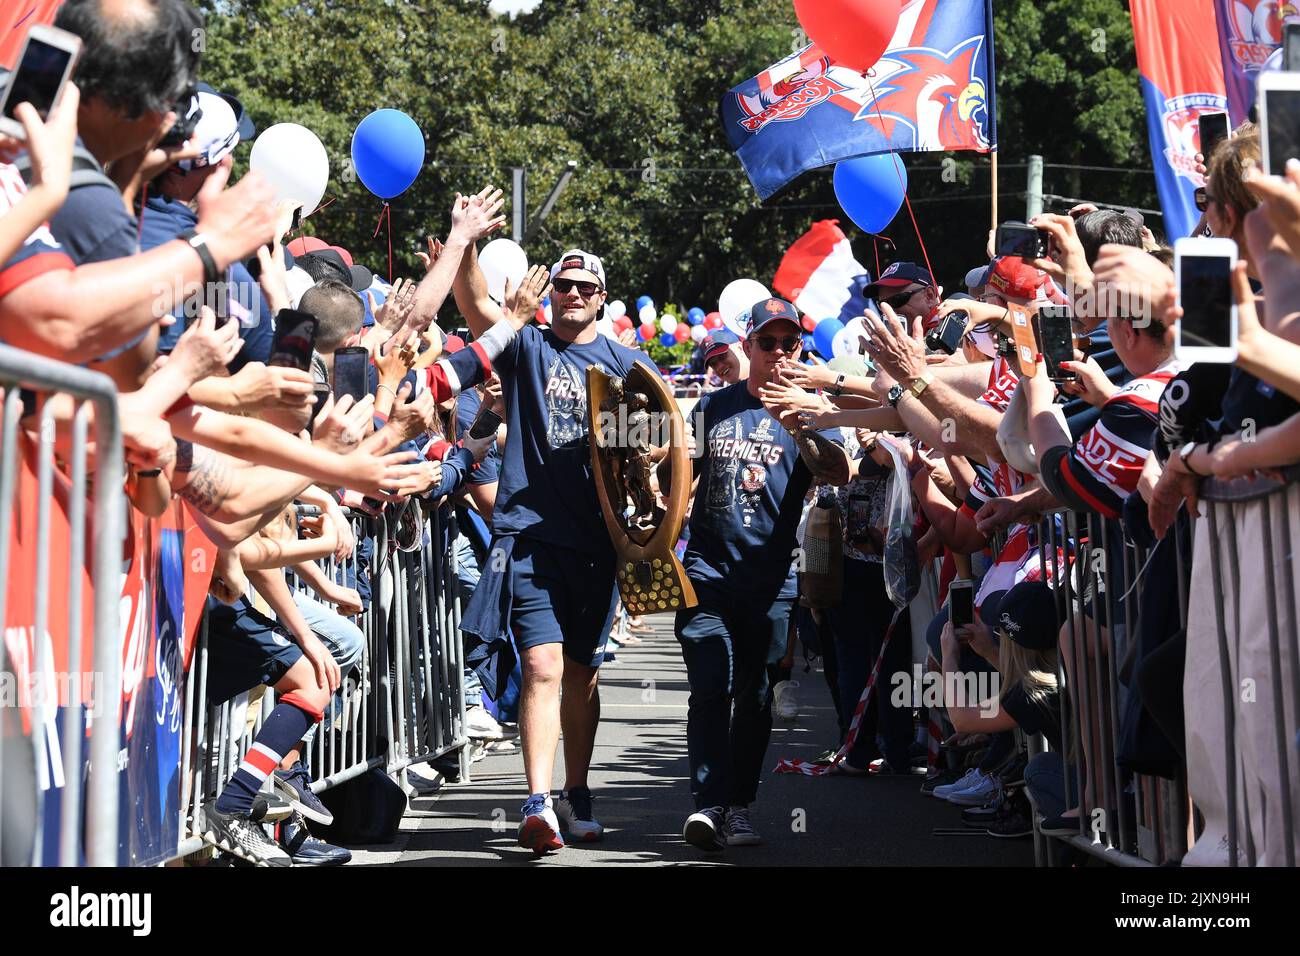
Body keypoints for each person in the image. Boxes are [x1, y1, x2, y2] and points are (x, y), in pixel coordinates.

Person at [455, 231, 664, 854]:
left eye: (583, 288)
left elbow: (664, 447)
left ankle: (577, 792)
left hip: (599, 542)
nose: (570, 295)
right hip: (529, 536)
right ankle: (537, 802)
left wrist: (644, 459)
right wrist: (466, 243)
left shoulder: (629, 363)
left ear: (601, 298)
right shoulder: (526, 345)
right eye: (562, 286)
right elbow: (473, 308)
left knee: (582, 674)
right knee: (543, 667)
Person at [665, 296, 851, 851]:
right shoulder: (710, 409)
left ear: (799, 349)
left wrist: (802, 426)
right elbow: (679, 482)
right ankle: (708, 805)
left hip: (772, 584)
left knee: (755, 699)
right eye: (765, 342)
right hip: (707, 576)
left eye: (787, 343)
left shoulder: (814, 411)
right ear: (747, 347)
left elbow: (840, 471)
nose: (776, 352)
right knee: (709, 688)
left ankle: (739, 805)